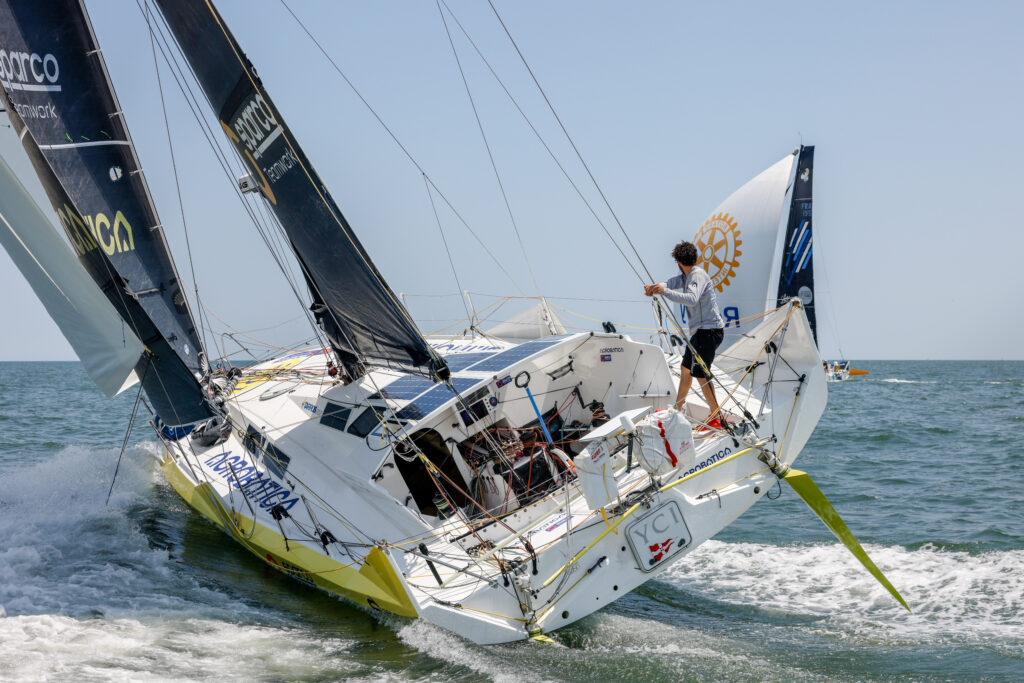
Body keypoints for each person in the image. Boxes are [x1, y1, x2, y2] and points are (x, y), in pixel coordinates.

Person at [644, 241, 727, 429]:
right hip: (700, 333)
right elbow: (672, 282)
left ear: (679, 261)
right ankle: (676, 411)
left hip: (710, 331)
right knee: (685, 370)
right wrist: (658, 287)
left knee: (701, 374)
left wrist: (664, 292)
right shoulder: (686, 275)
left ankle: (717, 418)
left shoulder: (697, 275)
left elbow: (691, 299)